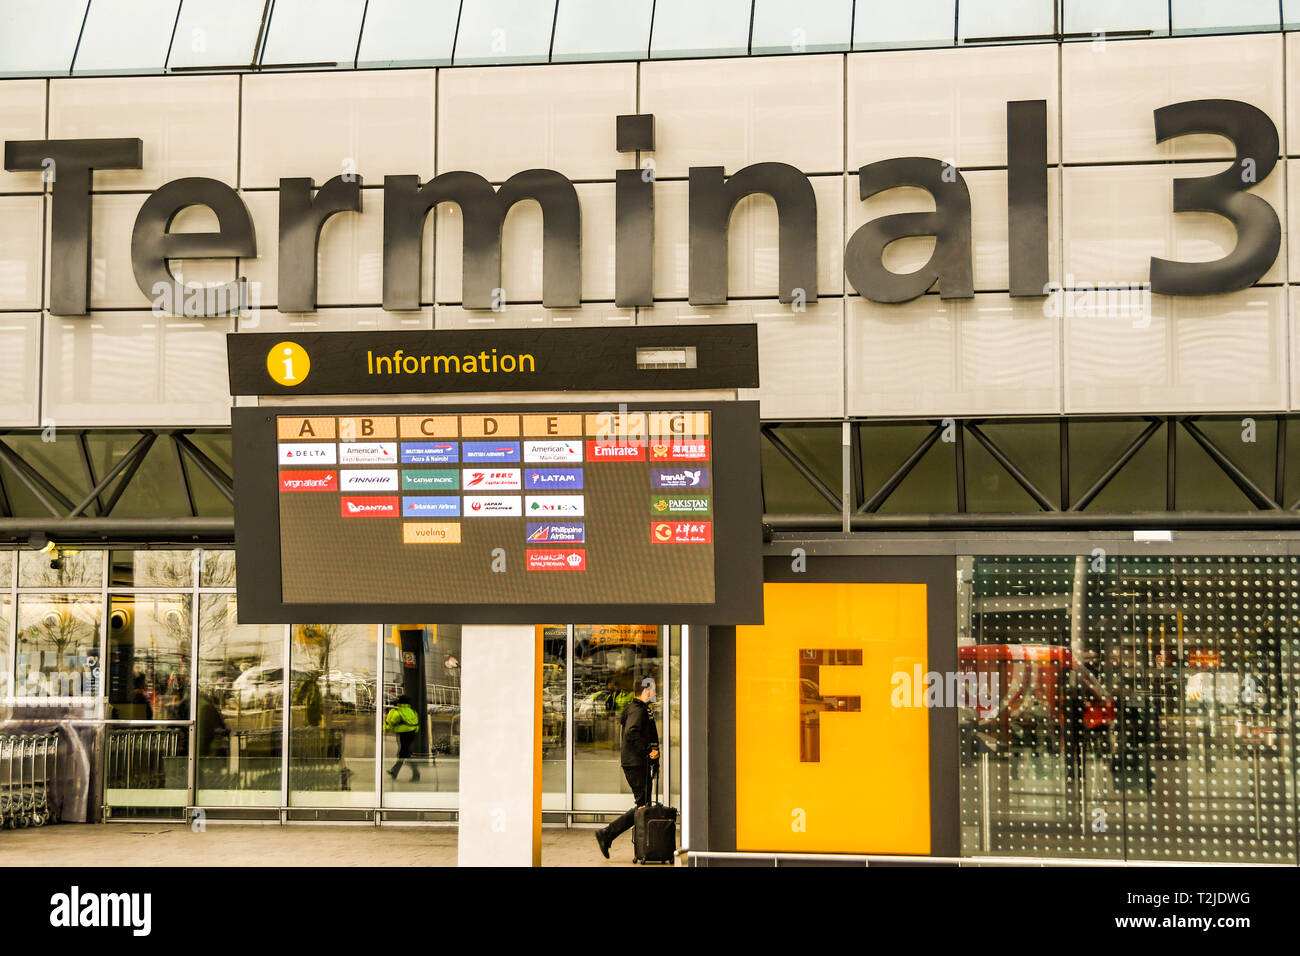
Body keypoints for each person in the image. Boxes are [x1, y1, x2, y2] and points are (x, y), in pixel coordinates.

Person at [595, 676, 659, 858]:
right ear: (646, 690)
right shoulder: (638, 711)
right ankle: (607, 833)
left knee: (643, 805)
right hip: (636, 763)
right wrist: (648, 751)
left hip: (635, 762)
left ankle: (640, 848)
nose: (654, 693)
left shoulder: (635, 708)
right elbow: (631, 733)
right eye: (653, 690)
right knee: (643, 806)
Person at [384, 693, 421, 782]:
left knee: (406, 754)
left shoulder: (398, 712)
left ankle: (416, 774)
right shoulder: (412, 711)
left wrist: (383, 729)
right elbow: (416, 723)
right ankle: (395, 771)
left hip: (403, 734)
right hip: (412, 734)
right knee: (403, 753)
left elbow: (391, 723)